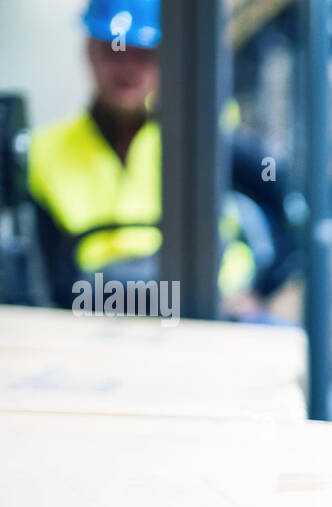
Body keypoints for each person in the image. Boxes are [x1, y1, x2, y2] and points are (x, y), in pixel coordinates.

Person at [28, 0, 284, 317]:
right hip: (97, 314)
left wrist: (259, 290)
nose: (128, 68)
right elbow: (43, 269)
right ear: (90, 51)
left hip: (209, 311)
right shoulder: (43, 152)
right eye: (115, 50)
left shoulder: (205, 136)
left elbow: (284, 203)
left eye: (144, 54)